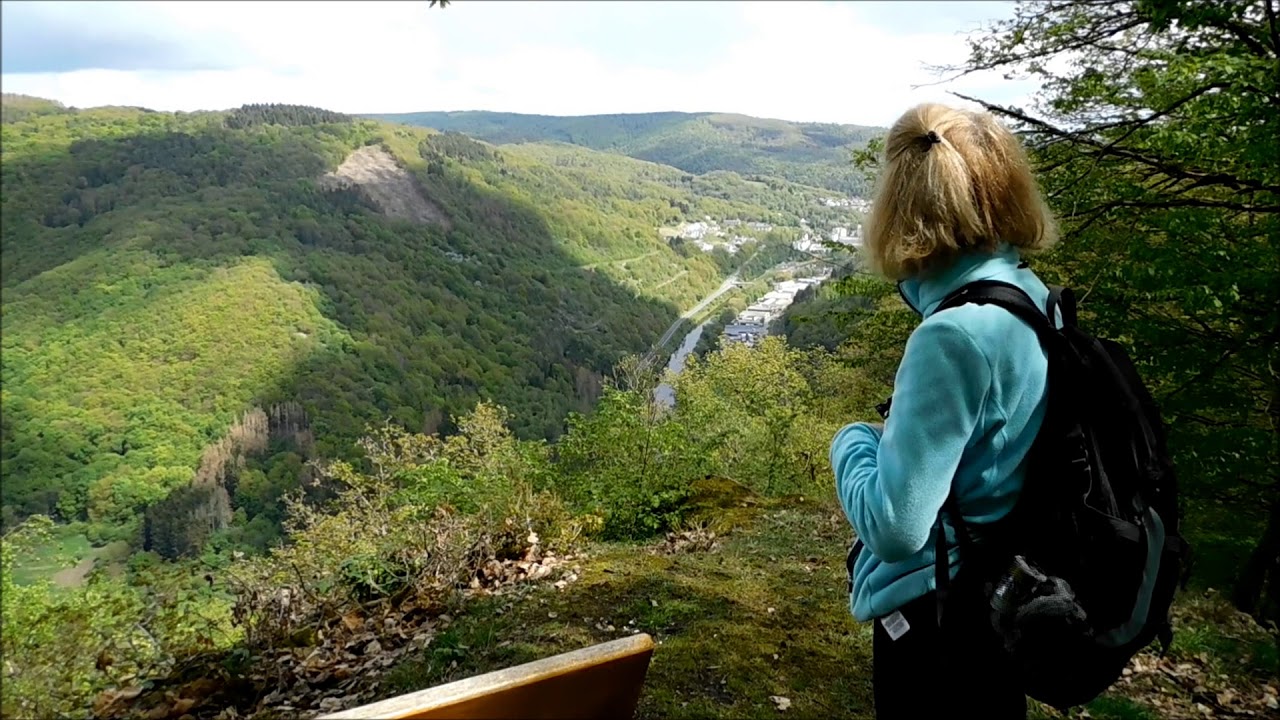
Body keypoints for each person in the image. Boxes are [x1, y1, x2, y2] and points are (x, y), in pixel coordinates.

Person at [831, 102, 1060, 719]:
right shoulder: (1032, 300)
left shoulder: (953, 336)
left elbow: (896, 528)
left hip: (939, 610)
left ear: (901, 205)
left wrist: (851, 442)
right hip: (1003, 587)